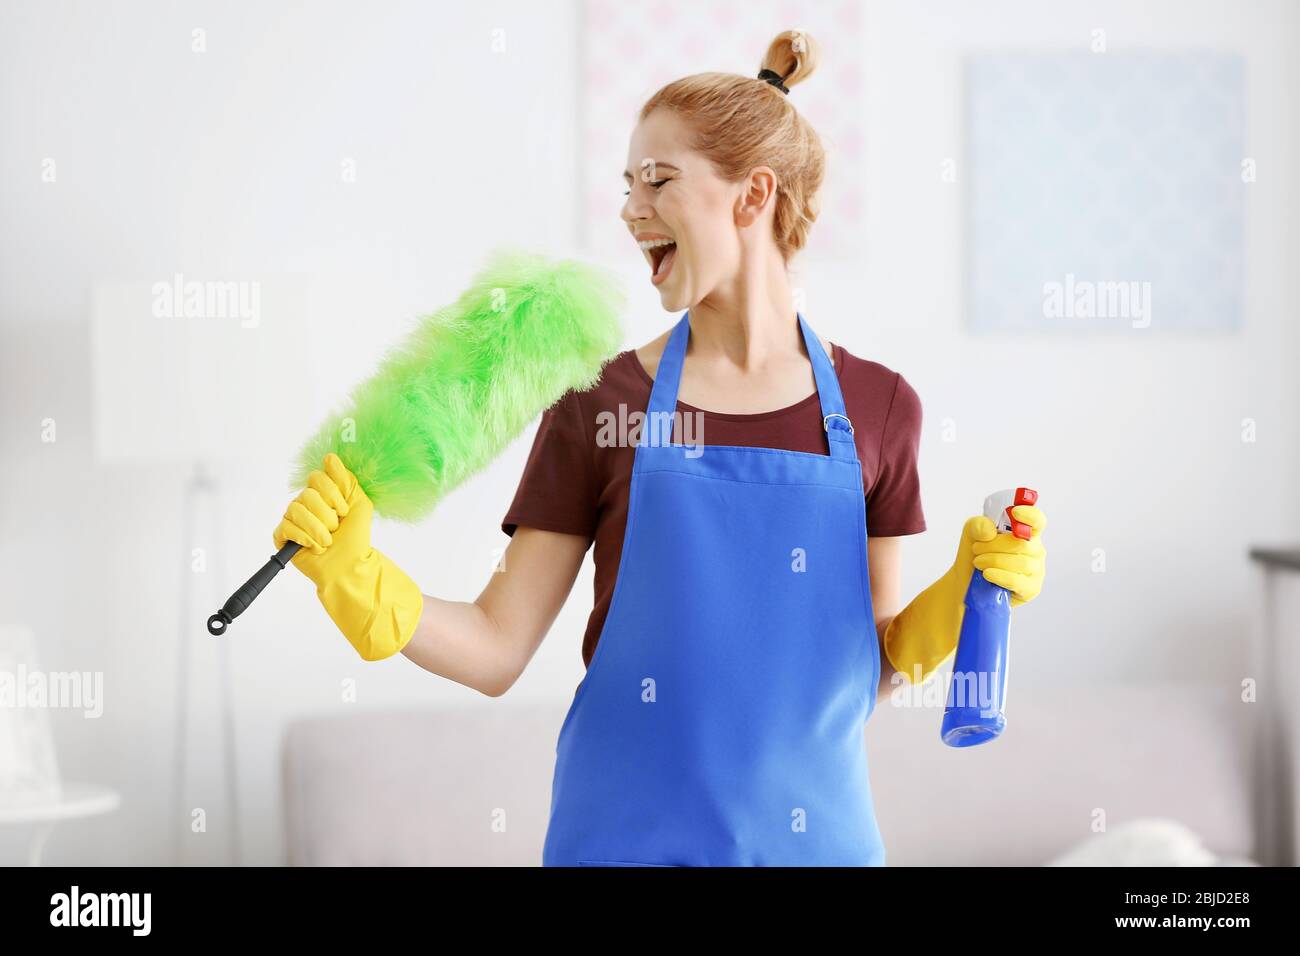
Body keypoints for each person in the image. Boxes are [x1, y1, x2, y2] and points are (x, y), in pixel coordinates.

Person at [272, 29, 1047, 866]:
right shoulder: (599, 402)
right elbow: (497, 648)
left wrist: (968, 589)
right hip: (620, 842)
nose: (630, 208)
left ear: (752, 196)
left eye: (658, 180)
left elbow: (877, 664)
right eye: (627, 185)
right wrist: (363, 583)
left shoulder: (879, 406)